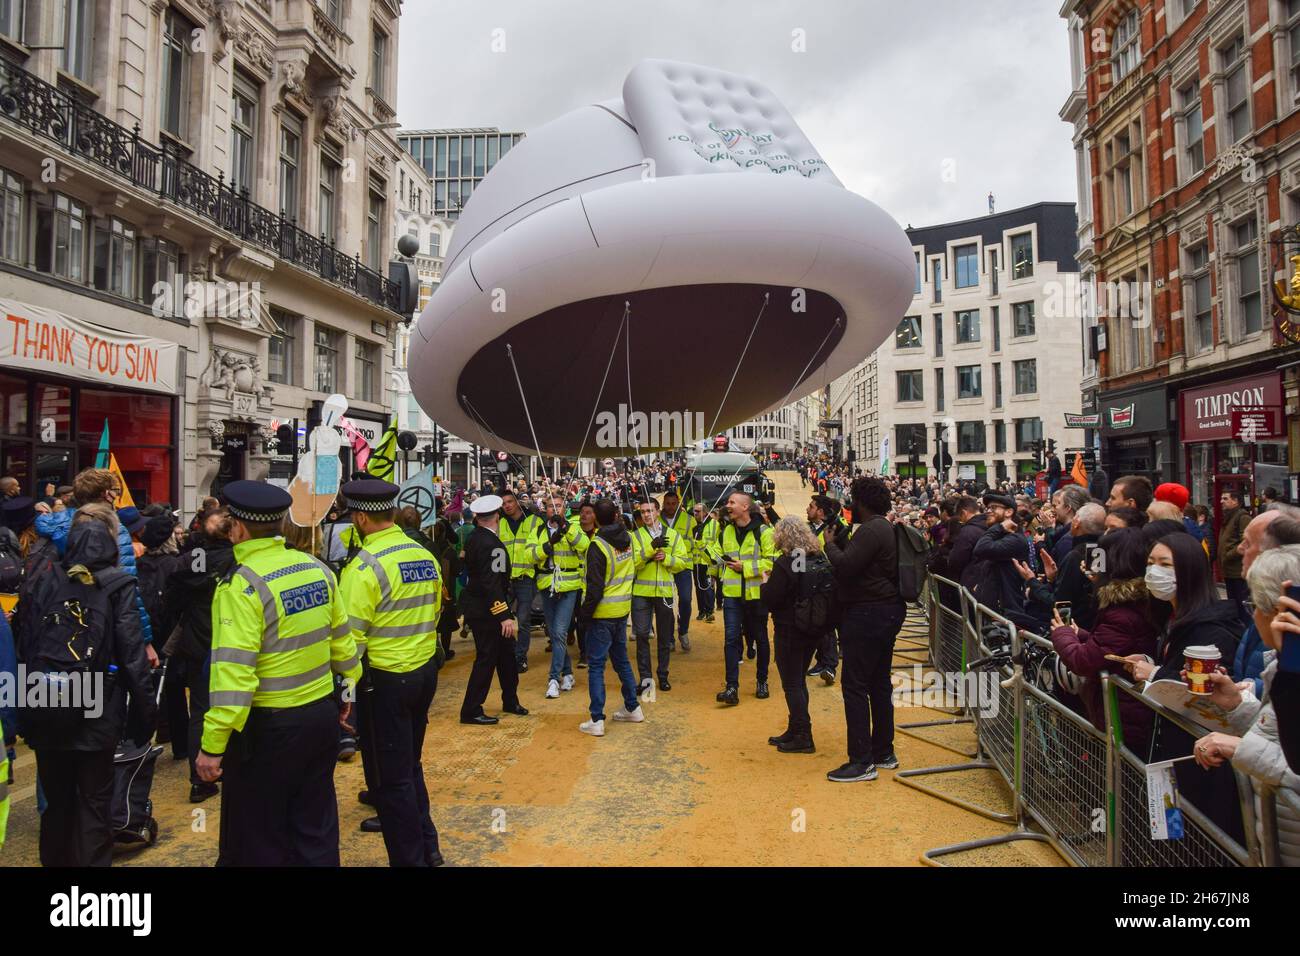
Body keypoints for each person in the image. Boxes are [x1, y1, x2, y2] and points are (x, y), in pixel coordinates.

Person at [195, 481, 362, 866]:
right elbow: (345, 650)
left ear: (237, 528)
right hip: (319, 717)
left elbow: (234, 677)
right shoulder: (317, 569)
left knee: (259, 837)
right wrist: (345, 701)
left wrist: (212, 745)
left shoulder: (242, 585)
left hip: (268, 729)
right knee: (315, 826)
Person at [16, 503, 156, 866]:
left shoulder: (43, 579)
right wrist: (145, 714)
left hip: (46, 698)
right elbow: (132, 654)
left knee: (57, 804)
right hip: (98, 704)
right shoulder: (117, 582)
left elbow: (26, 644)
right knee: (94, 804)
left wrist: (24, 707)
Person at [338, 480, 444, 867]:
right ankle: (429, 848)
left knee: (390, 779)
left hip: (384, 681)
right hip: (423, 672)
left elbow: (350, 644)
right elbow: (436, 613)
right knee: (410, 766)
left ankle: (412, 858)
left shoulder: (363, 567)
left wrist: (345, 696)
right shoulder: (423, 555)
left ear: (362, 517)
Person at [1131, 532, 1243, 843]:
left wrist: (1154, 673)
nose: (1154, 571)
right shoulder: (1173, 620)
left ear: (1189, 571)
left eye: (1165, 564)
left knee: (1198, 840)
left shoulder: (1212, 631)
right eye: (1151, 562)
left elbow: (1203, 696)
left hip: (1202, 761)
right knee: (1171, 836)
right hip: (1173, 751)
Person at [1192, 544, 1300, 865]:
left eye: (1254, 604)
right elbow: (1281, 735)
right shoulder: (1279, 668)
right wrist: (1238, 705)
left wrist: (1240, 749)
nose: (1252, 614)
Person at [822, 476, 906, 782]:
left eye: (853, 499)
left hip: (868, 614)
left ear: (863, 501)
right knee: (879, 683)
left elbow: (845, 567)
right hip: (885, 612)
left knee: (855, 685)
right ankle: (883, 751)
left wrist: (831, 545)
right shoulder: (882, 527)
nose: (849, 505)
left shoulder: (872, 529)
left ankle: (861, 761)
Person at [1048, 528, 1159, 745]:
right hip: (1125, 709)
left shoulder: (1121, 611)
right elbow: (1111, 646)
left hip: (1123, 714)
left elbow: (1085, 660)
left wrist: (1061, 634)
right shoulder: (1135, 602)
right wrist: (1081, 634)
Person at [163, 506, 236, 802]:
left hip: (198, 641)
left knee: (202, 711)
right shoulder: (237, 560)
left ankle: (200, 779)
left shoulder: (191, 561)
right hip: (228, 640)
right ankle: (226, 767)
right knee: (233, 705)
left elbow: (171, 601)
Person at [763, 517, 836, 754]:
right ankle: (796, 729)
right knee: (798, 680)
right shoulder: (817, 557)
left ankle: (803, 734)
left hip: (789, 628)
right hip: (813, 627)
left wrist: (765, 582)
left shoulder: (787, 562)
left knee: (792, 683)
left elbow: (772, 598)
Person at [458, 495, 528, 724]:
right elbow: (492, 582)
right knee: (487, 658)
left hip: (480, 608)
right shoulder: (492, 544)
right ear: (497, 516)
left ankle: (510, 700)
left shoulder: (474, 538)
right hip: (488, 611)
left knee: (506, 655)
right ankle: (471, 709)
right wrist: (503, 615)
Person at [577, 499, 644, 736]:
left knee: (596, 665)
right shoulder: (628, 539)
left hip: (602, 613)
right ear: (616, 514)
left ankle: (597, 719)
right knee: (622, 661)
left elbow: (594, 588)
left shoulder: (598, 545)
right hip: (622, 609)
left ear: (595, 517)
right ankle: (633, 707)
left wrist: (584, 616)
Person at [712, 491, 776, 705]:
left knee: (760, 638)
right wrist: (711, 555)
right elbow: (717, 553)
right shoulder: (726, 531)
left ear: (745, 507)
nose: (727, 505)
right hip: (731, 596)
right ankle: (731, 687)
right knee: (731, 639)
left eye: (732, 502)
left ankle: (762, 681)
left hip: (756, 595)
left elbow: (773, 561)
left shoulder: (764, 532)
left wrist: (745, 567)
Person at [631, 496, 687, 693]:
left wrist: (667, 558)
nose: (646, 515)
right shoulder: (635, 536)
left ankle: (663, 675)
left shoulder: (673, 535)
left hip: (664, 592)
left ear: (657, 511)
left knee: (665, 636)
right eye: (643, 511)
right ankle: (646, 679)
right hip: (641, 593)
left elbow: (682, 562)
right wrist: (650, 549)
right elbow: (632, 564)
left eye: (650, 511)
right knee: (642, 636)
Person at [536, 493, 583, 699]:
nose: (554, 510)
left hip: (569, 586)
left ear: (565, 509)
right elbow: (529, 555)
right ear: (544, 509)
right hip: (547, 586)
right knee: (554, 632)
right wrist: (548, 545)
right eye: (550, 506)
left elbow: (584, 547)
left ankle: (554, 678)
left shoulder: (574, 527)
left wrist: (566, 530)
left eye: (558, 506)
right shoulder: (538, 530)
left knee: (560, 631)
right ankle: (569, 672)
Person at [497, 491, 544, 672]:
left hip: (526, 577)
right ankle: (511, 651)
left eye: (509, 501)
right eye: (503, 503)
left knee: (524, 620)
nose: (507, 505)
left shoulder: (535, 521)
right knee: (501, 617)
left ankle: (520, 657)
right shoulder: (500, 523)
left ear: (518, 502)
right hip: (505, 579)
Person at [805, 494, 846, 683]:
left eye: (811, 506)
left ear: (820, 511)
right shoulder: (812, 529)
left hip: (831, 583)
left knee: (827, 625)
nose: (808, 509)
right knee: (818, 624)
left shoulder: (834, 529)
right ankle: (822, 661)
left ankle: (829, 666)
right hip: (815, 583)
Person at [660, 489, 696, 649]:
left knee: (686, 600)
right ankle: (669, 638)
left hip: (683, 565)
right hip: (664, 565)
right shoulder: (656, 520)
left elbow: (694, 543)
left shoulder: (690, 520)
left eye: (674, 503)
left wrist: (675, 545)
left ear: (679, 504)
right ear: (663, 504)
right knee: (666, 603)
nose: (670, 507)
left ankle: (683, 630)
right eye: (667, 504)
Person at [1218, 488, 1251, 623]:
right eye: (1221, 498)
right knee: (1233, 606)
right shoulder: (1229, 517)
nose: (1222, 502)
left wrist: (1229, 555)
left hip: (1238, 571)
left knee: (1242, 606)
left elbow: (1246, 541)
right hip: (1229, 571)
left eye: (1226, 498)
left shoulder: (1242, 517)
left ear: (1236, 501)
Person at [690, 502, 718, 625]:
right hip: (696, 561)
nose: (695, 513)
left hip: (708, 561)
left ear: (705, 512)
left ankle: (709, 611)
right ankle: (701, 611)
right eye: (694, 511)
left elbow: (717, 542)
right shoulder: (694, 525)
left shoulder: (714, 525)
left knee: (708, 586)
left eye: (698, 511)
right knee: (698, 587)